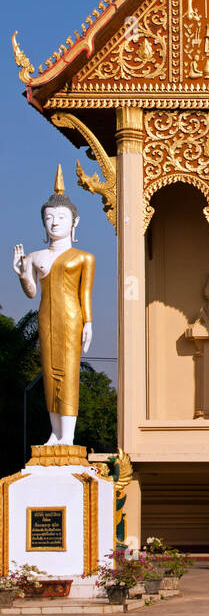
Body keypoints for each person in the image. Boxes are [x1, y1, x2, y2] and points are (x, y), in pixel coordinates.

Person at [12, 166, 94, 447]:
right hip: (46, 318)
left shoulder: (84, 257)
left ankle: (67, 436)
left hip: (72, 319)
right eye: (49, 218)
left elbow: (86, 294)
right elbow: (32, 293)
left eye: (61, 217)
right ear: (43, 222)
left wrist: (89, 324)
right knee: (49, 373)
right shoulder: (35, 257)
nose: (55, 223)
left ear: (74, 221)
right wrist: (23, 275)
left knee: (69, 371)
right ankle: (54, 433)